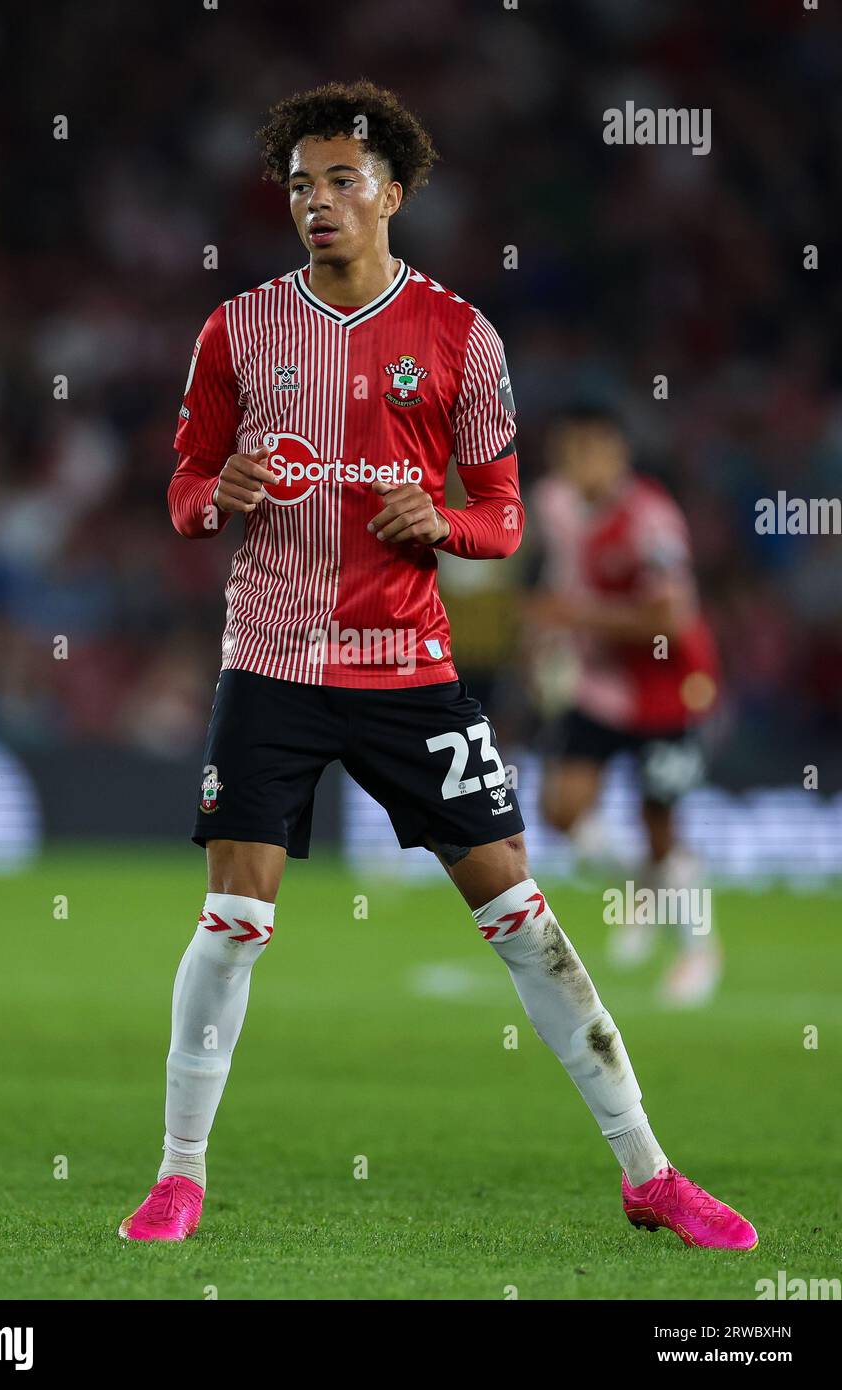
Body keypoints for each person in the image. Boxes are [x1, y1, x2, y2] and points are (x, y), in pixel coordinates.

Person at [119, 81, 755, 1251]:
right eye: (300, 183)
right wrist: (219, 495)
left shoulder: (462, 336)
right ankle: (179, 1174)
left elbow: (507, 518)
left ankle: (649, 1170)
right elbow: (181, 493)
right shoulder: (235, 331)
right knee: (230, 919)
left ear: (393, 192)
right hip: (272, 662)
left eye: (341, 180)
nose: (317, 201)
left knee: (521, 915)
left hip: (410, 670)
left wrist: (442, 525)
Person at [527, 403, 722, 1006]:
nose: (576, 464)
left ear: (617, 454)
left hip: (667, 685)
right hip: (599, 683)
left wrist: (577, 616)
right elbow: (554, 585)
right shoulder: (555, 505)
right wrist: (547, 645)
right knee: (560, 809)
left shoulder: (651, 520)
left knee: (660, 828)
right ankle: (643, 887)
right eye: (568, 451)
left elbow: (672, 616)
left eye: (590, 450)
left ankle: (698, 952)